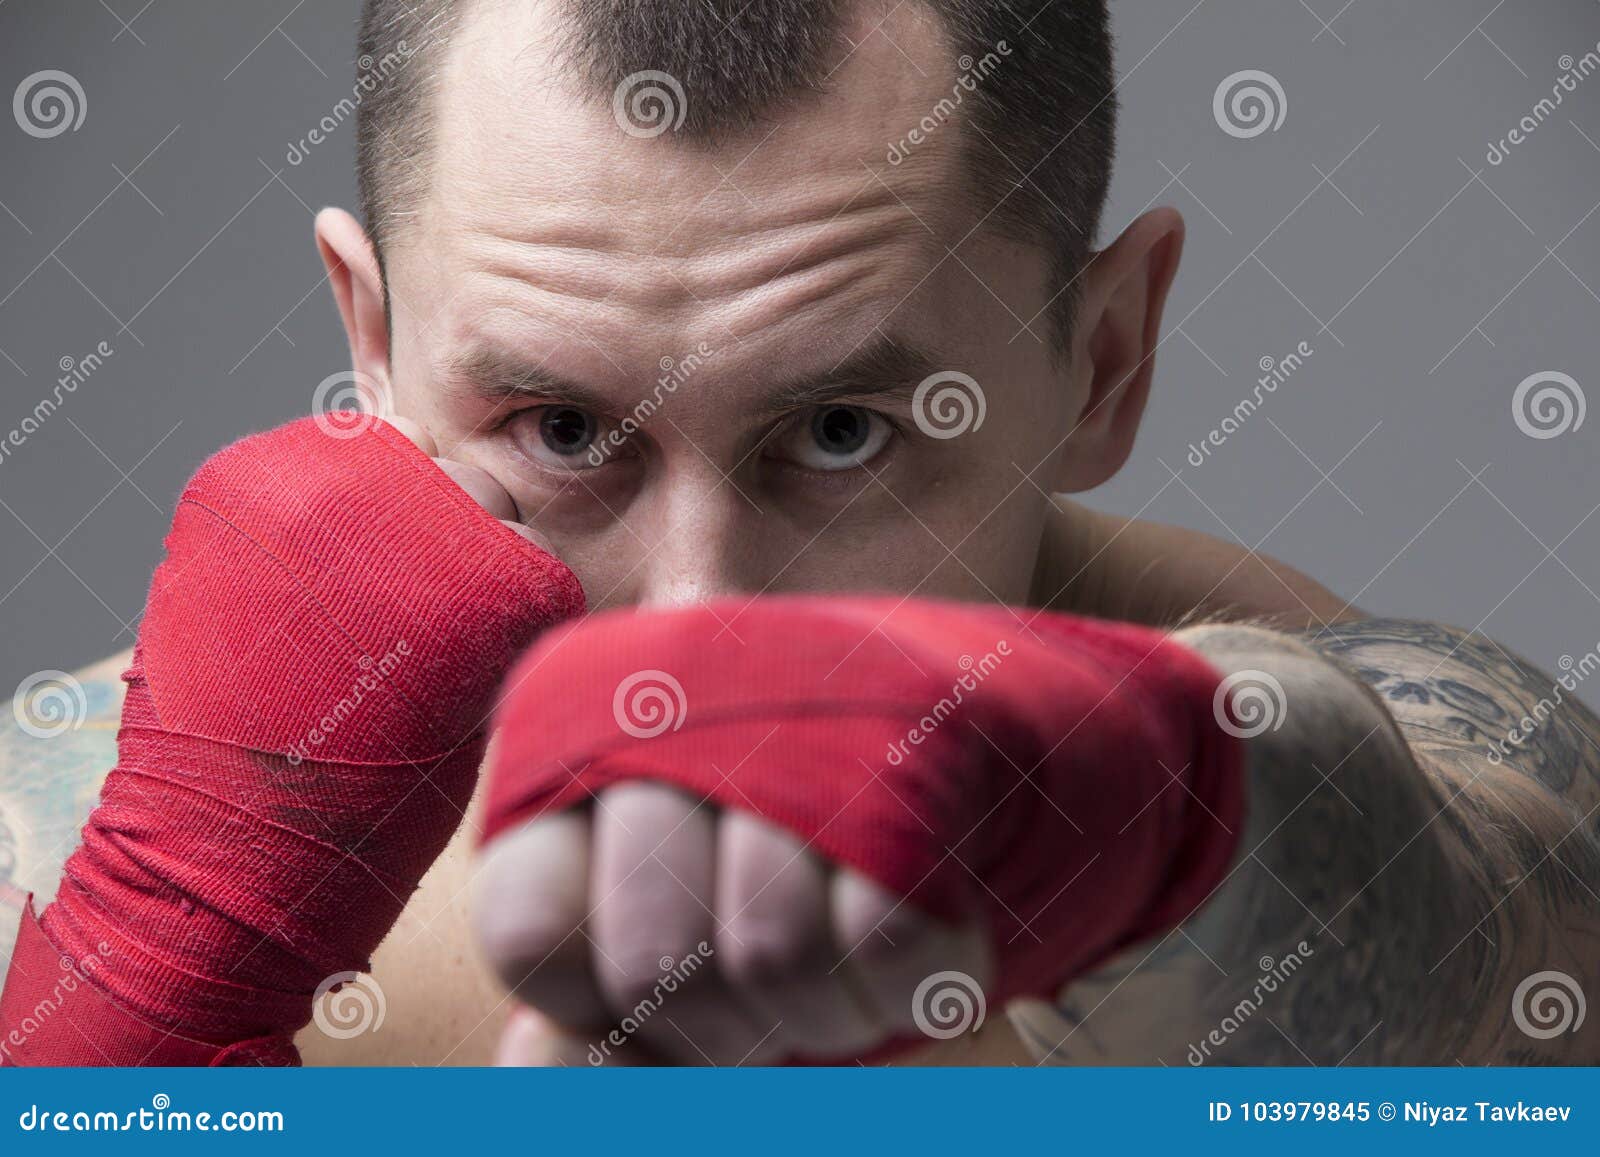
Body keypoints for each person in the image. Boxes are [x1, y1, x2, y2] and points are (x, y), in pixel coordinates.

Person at [1, 0, 1595, 1067]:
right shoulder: (75, 833)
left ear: (1101, 358)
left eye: (843, 434)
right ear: (372, 342)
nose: (690, 623)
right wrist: (156, 969)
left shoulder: (1419, 742)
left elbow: (1446, 905)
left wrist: (1138, 814)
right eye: (563, 432)